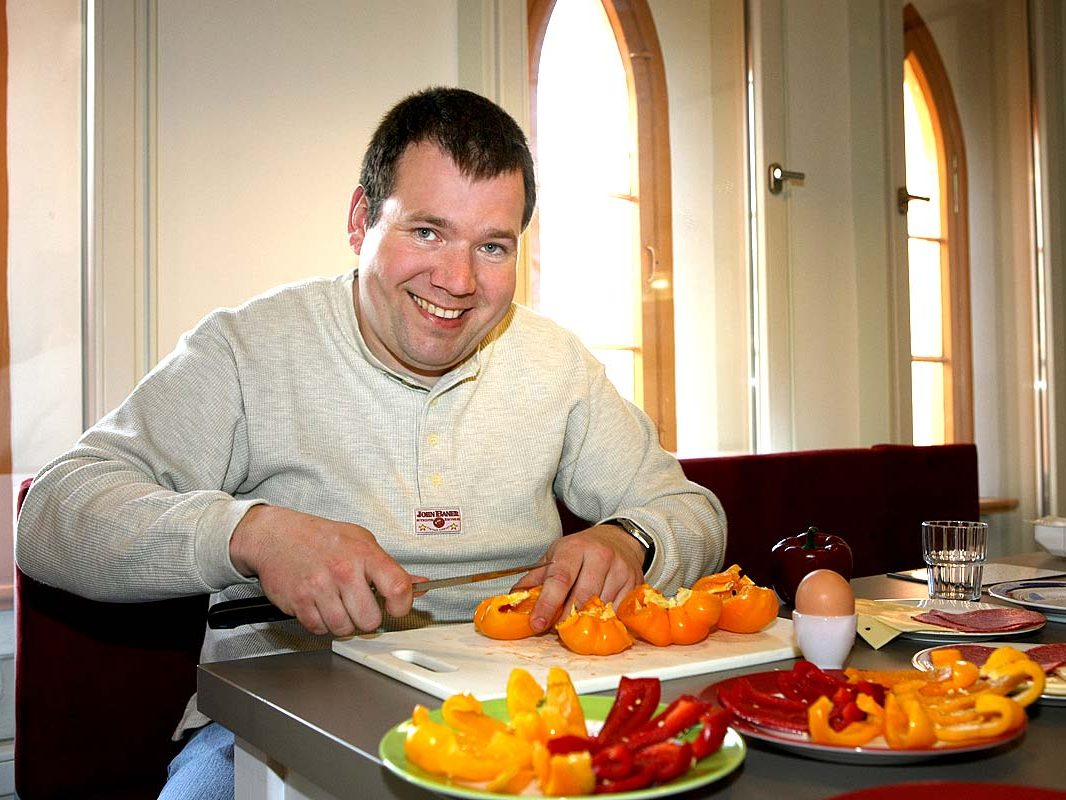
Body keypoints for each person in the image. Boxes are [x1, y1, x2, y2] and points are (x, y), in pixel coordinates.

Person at [15, 87, 725, 798]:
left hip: (523, 716)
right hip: (274, 726)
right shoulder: (244, 349)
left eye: (492, 246)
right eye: (427, 232)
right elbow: (50, 517)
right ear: (361, 221)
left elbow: (692, 512)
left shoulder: (557, 363)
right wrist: (250, 533)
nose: (458, 280)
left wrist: (629, 540)